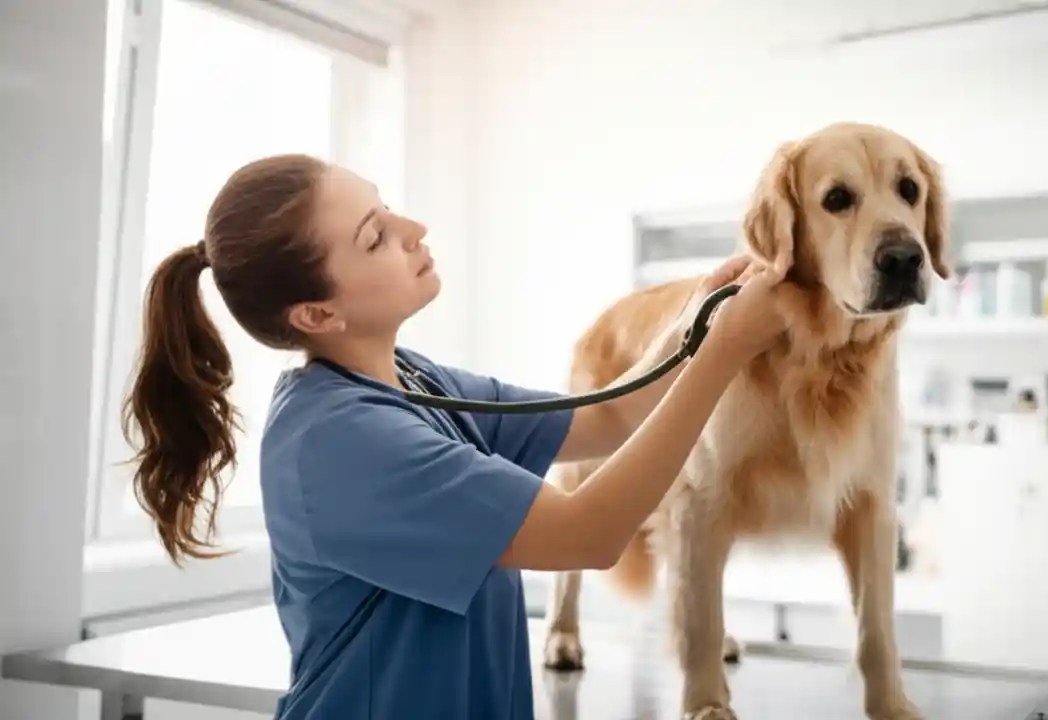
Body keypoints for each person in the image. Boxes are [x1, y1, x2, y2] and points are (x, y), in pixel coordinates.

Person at [120, 153, 786, 719]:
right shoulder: (340, 443)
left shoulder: (416, 382)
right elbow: (590, 532)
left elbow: (609, 417)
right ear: (319, 312)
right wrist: (724, 354)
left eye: (388, 211)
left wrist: (698, 316)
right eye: (375, 236)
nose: (414, 230)